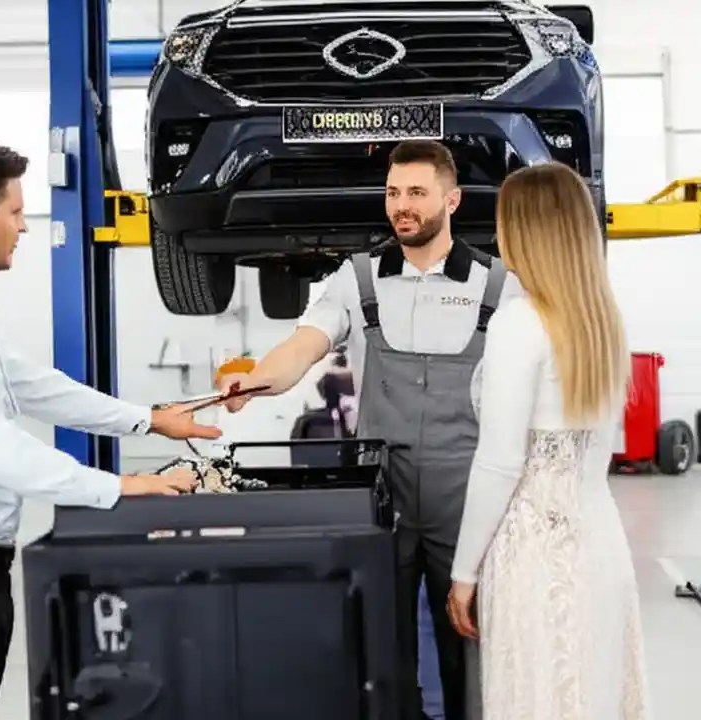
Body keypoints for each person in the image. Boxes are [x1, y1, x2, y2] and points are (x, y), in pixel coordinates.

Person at [0, 133, 221, 720]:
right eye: (16, 212)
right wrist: (118, 487)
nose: (24, 227)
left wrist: (148, 421)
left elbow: (31, 384)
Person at [216, 139, 521, 719]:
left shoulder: (499, 286)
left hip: (468, 501)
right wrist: (256, 381)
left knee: (472, 650)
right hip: (383, 496)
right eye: (392, 192)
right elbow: (303, 346)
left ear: (452, 200)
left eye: (416, 192)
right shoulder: (357, 280)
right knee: (380, 646)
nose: (401, 205)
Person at [445, 162, 651, 719]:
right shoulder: (602, 322)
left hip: (534, 555)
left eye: (505, 223)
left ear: (527, 233)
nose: (499, 236)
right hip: (600, 544)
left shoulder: (519, 324)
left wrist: (463, 573)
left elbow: (499, 464)